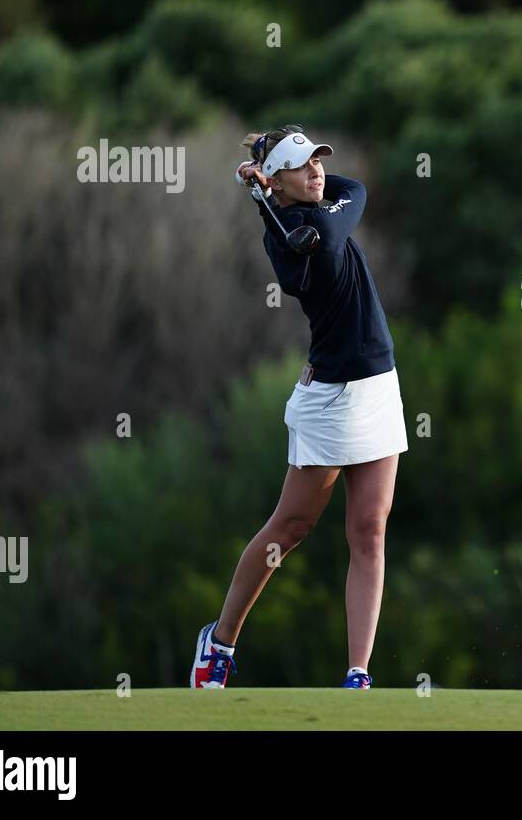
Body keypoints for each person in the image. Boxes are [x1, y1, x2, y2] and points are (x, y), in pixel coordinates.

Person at [189, 126, 408, 689]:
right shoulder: (288, 244)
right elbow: (322, 242)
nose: (317, 171)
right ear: (281, 183)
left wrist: (268, 188)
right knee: (291, 527)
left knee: (370, 530)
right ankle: (220, 642)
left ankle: (358, 672)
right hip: (331, 400)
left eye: (317, 161)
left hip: (379, 386)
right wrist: (271, 206)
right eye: (302, 165)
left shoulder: (325, 203)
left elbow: (351, 188)